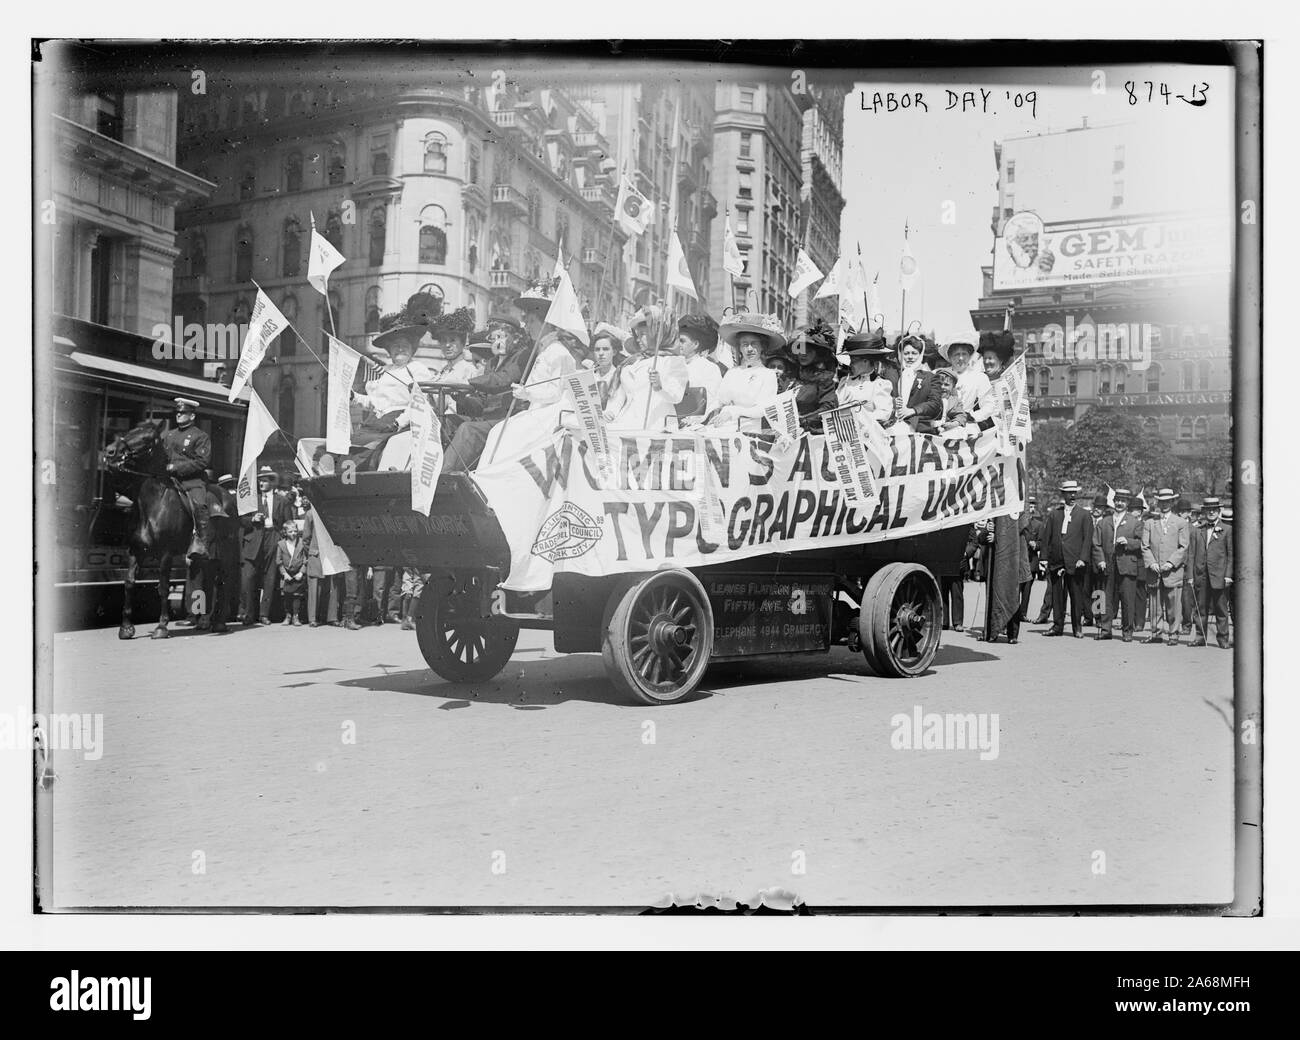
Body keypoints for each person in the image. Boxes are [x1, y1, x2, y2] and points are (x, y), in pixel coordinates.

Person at [444, 279, 575, 470]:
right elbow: (480, 402)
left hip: (528, 417)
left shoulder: (535, 354)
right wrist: (458, 394)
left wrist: (469, 383)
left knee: (470, 430)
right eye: (494, 337)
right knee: (447, 422)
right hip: (511, 416)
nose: (527, 326)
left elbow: (506, 380)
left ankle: (446, 475)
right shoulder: (494, 363)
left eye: (502, 336)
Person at [605, 304, 688, 431]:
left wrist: (660, 387)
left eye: (643, 334)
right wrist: (611, 412)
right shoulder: (632, 362)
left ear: (658, 334)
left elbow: (676, 396)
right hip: (627, 420)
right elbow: (620, 396)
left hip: (656, 424)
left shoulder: (673, 361)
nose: (638, 339)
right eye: (637, 334)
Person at [713, 311, 783, 432]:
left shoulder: (768, 375)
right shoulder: (732, 372)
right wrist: (703, 417)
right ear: (739, 348)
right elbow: (719, 400)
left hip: (748, 429)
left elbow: (761, 409)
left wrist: (733, 412)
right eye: (745, 344)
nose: (749, 349)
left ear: (762, 346)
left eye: (754, 344)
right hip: (723, 424)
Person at [161, 397, 213, 560]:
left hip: (192, 481)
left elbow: (202, 461)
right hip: (169, 479)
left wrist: (177, 468)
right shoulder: (169, 435)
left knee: (200, 504)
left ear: (192, 416)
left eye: (183, 413)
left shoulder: (200, 436)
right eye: (177, 412)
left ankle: (201, 543)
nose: (179, 415)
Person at [240, 466, 291, 624]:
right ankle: (249, 614)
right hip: (254, 538)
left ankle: (264, 614)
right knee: (248, 576)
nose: (261, 482)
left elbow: (288, 522)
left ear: (272, 482)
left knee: (270, 577)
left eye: (265, 479)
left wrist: (282, 540)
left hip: (272, 537)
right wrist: (252, 519)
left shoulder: (281, 500)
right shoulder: (251, 499)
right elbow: (241, 520)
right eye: (260, 479)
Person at [1044, 478, 1093, 637]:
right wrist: (1044, 558)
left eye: (1074, 493)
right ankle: (1057, 626)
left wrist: (1083, 558)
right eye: (1068, 493)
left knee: (1076, 595)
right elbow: (1047, 537)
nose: (1072, 495)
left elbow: (1087, 539)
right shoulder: (1054, 514)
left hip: (1075, 561)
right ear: (1063, 494)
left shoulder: (1084, 515)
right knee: (1057, 596)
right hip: (1057, 560)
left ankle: (1077, 627)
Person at [1141, 487, 1190, 645]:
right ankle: (1156, 633)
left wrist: (1171, 562)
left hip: (1172, 571)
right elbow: (1145, 546)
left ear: (1172, 502)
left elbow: (1184, 547)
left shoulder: (1180, 522)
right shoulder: (1150, 523)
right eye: (1162, 501)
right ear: (1158, 502)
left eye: (1168, 501)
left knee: (1173, 604)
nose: (1164, 504)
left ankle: (1173, 634)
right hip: (1154, 571)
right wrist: (1151, 562)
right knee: (1154, 605)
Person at [1185, 495, 1233, 648]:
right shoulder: (1197, 531)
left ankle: (1223, 639)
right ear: (1204, 512)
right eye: (1208, 510)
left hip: (1219, 575)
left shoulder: (1227, 530)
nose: (1211, 512)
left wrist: (1228, 575)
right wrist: (1190, 576)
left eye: (1214, 510)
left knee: (1221, 609)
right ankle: (1200, 637)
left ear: (1219, 511)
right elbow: (1191, 554)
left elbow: (1231, 555)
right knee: (1200, 608)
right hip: (1201, 575)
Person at [789, 321, 840, 432]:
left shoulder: (824, 379)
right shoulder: (792, 375)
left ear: (818, 353)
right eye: (801, 349)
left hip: (812, 433)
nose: (803, 354)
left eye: (809, 351)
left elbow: (828, 407)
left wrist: (804, 419)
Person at [836, 329, 896, 417]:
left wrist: (859, 419)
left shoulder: (880, 384)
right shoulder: (844, 381)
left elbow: (884, 413)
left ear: (865, 361)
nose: (850, 364)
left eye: (853, 360)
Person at [940, 339, 994, 430]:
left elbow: (989, 405)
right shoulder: (939, 374)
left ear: (970, 356)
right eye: (957, 354)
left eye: (964, 354)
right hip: (942, 426)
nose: (961, 358)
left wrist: (972, 416)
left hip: (967, 426)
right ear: (949, 357)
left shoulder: (979, 377)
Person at [893, 335, 943, 432]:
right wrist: (893, 402)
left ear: (920, 354)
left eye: (914, 353)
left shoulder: (931, 377)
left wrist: (913, 411)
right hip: (893, 423)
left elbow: (935, 404)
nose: (910, 357)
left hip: (918, 427)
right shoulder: (894, 375)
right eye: (906, 353)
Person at [277, 521, 307, 626]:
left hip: (297, 574)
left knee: (297, 596)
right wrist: (284, 573)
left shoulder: (301, 543)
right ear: (285, 532)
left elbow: (305, 560)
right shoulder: (281, 544)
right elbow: (279, 561)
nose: (293, 533)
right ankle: (288, 615)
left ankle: (296, 616)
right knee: (286, 596)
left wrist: (301, 572)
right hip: (286, 575)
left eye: (295, 531)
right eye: (290, 531)